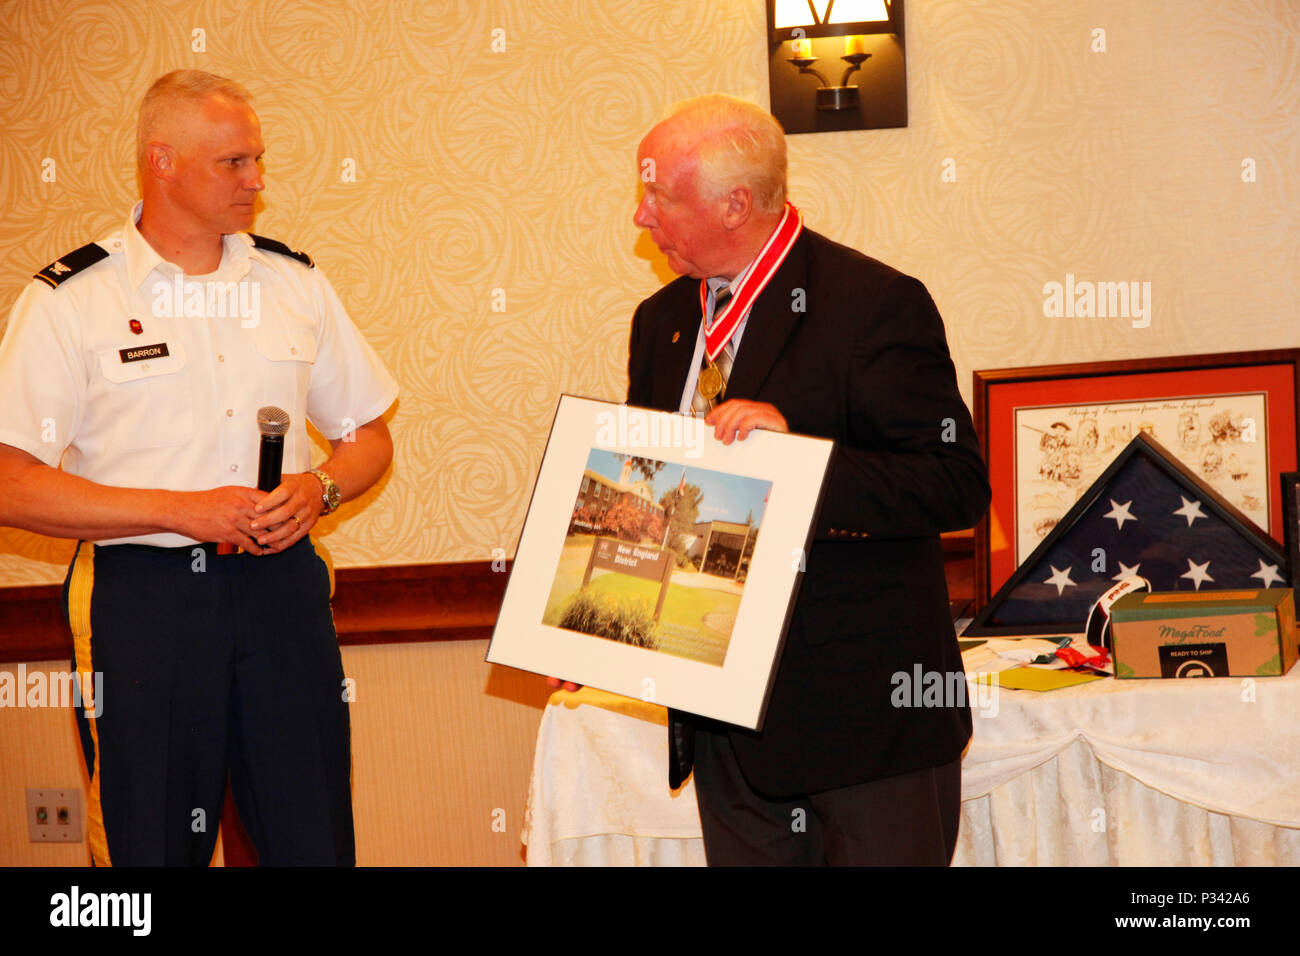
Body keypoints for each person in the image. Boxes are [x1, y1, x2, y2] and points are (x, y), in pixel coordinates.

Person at [0, 70, 398, 866]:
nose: (256, 180)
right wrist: (181, 511)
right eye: (233, 163)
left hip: (282, 592)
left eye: (257, 160)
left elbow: (369, 438)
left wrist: (317, 489)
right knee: (148, 849)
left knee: (314, 839)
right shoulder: (72, 300)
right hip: (143, 604)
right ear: (163, 162)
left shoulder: (292, 282)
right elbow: (11, 480)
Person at [619, 94, 989, 865]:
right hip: (729, 734)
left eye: (659, 195)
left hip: (868, 731)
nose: (641, 217)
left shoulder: (875, 305)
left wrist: (802, 459)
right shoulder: (661, 323)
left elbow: (955, 485)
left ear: (735, 204)